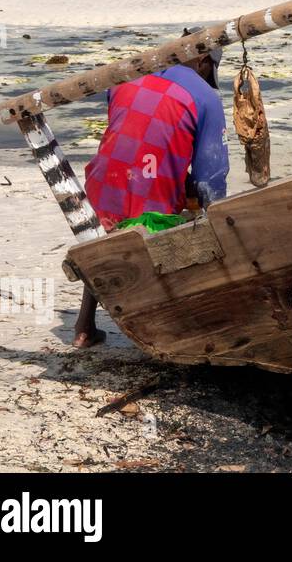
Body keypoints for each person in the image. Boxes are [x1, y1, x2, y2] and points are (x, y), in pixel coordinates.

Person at [74, 30, 229, 346]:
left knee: (102, 247)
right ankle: (174, 326)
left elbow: (131, 129)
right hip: (149, 193)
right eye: (208, 69)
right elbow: (209, 178)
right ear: (202, 60)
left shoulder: (128, 74)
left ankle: (84, 327)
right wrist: (218, 220)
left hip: (102, 182)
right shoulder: (206, 98)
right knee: (170, 243)